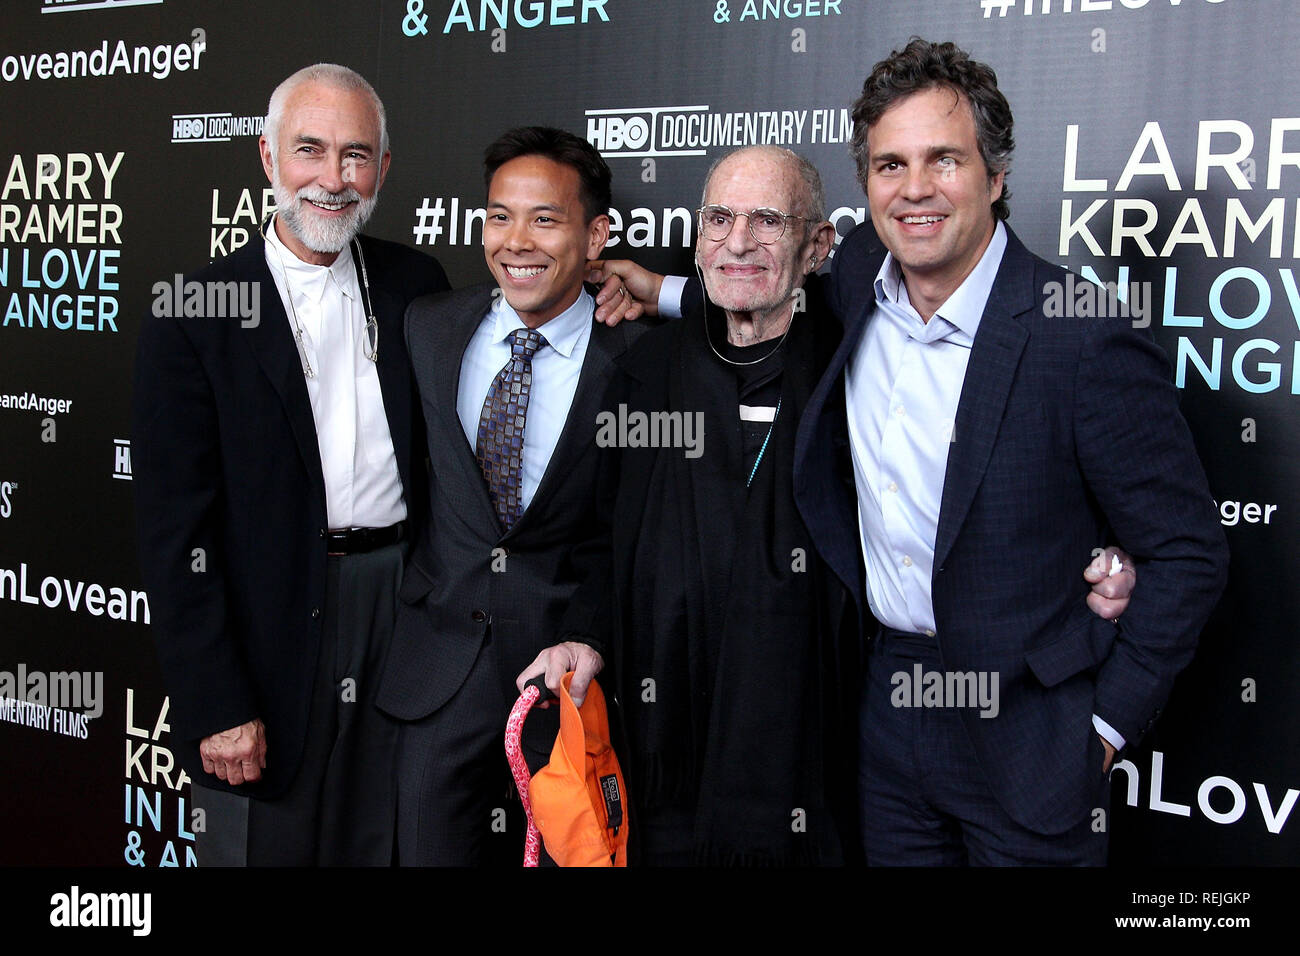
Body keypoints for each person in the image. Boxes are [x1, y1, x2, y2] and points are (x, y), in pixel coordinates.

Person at [567, 145, 1137, 865]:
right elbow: (600, 538)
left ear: (819, 245)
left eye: (767, 220)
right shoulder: (644, 373)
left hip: (826, 760)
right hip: (668, 754)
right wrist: (584, 636)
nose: (737, 240)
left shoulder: (863, 359)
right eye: (719, 218)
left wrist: (1101, 564)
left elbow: (994, 492)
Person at [793, 38, 1229, 864]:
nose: (914, 189)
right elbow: (764, 281)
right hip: (888, 713)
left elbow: (1186, 553)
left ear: (995, 177)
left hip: (1031, 733)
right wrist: (660, 291)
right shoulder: (855, 277)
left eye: (943, 160)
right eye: (890, 165)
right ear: (866, 188)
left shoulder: (1081, 333)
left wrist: (1100, 732)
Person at [133, 64, 450, 865]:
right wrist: (214, 701)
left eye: (356, 155)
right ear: (269, 159)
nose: (334, 179)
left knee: (384, 839)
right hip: (268, 625)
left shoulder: (419, 284)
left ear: (383, 168)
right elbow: (176, 535)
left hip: (402, 609)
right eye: (310, 150)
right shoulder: (192, 315)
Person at [376, 127, 645, 866]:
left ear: (596, 235)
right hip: (438, 682)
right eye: (499, 216)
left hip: (569, 686)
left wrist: (591, 638)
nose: (516, 241)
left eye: (545, 219)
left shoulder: (641, 353)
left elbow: (639, 534)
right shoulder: (428, 328)